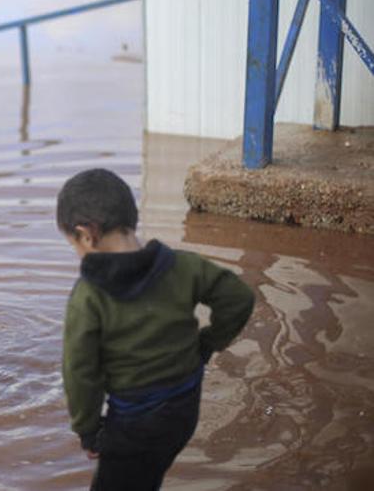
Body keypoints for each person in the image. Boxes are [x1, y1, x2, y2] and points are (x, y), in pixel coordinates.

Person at [58, 168, 254, 490]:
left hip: (133, 423)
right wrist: (206, 343)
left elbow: (80, 371)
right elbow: (238, 298)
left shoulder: (89, 296)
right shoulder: (183, 265)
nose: (77, 253)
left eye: (74, 244)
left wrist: (88, 429)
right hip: (184, 412)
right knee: (147, 476)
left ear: (87, 234)